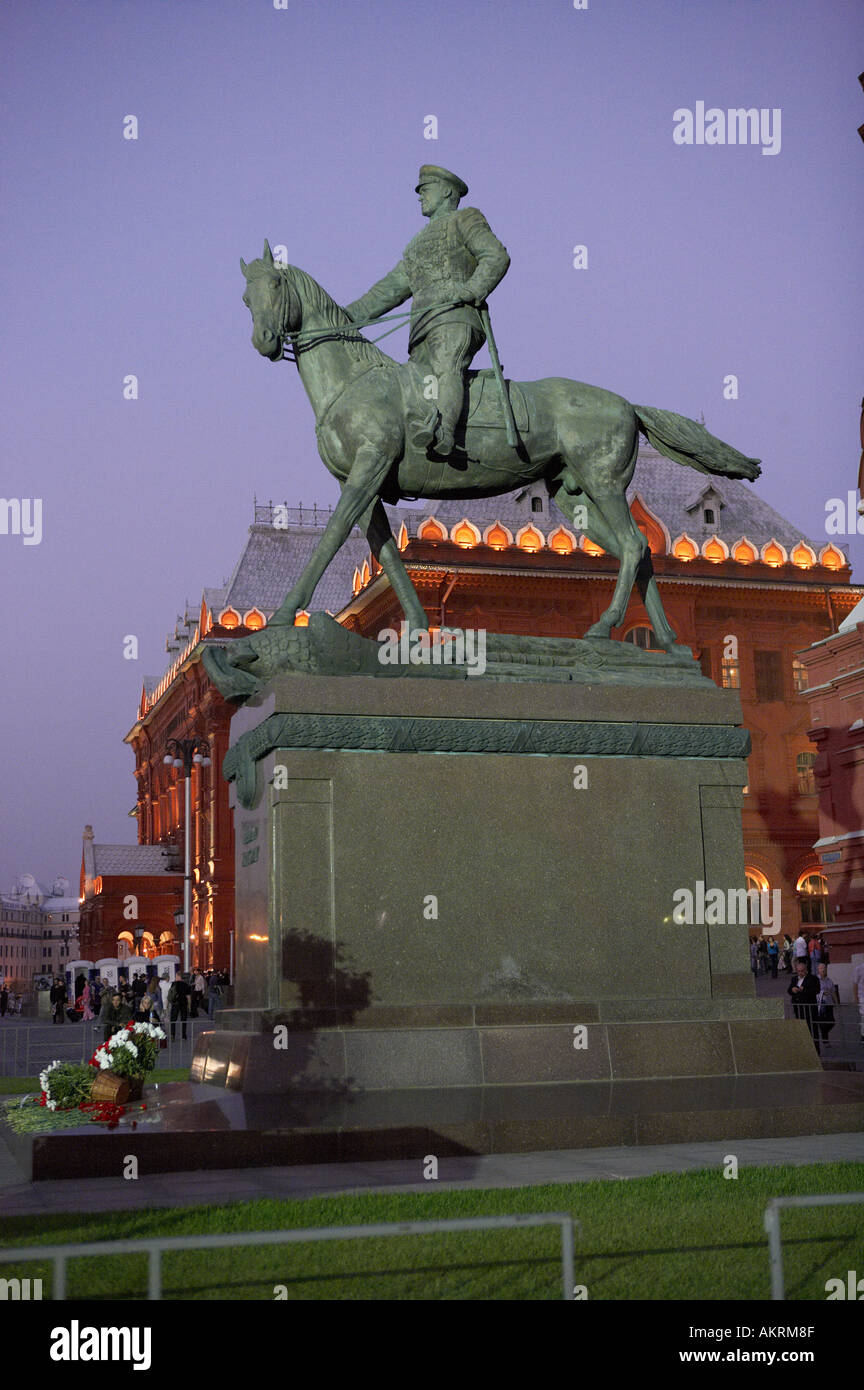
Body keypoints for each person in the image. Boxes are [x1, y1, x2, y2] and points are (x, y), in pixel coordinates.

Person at [344, 165, 511, 457]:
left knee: (448, 367)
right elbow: (388, 290)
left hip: (455, 318)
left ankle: (445, 431)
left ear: (447, 190)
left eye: (426, 189)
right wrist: (342, 318)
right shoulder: (416, 245)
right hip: (422, 328)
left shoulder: (466, 218)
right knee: (416, 383)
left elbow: (495, 256)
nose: (420, 196)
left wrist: (471, 290)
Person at [788, 959, 820, 1051]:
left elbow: (816, 990)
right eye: (798, 971)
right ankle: (804, 1049)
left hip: (809, 1008)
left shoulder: (813, 978)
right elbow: (789, 990)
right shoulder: (794, 979)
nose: (800, 973)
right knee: (801, 1029)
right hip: (798, 1008)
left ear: (806, 970)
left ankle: (815, 1050)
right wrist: (793, 990)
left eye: (802, 971)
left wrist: (804, 989)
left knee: (812, 1029)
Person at [814, 962, 839, 1050]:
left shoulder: (829, 980)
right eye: (821, 968)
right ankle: (825, 1041)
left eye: (824, 968)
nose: (823, 970)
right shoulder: (815, 980)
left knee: (831, 1022)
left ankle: (823, 1034)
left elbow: (833, 992)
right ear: (818, 970)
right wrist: (822, 992)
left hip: (829, 1003)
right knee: (823, 1023)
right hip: (820, 1005)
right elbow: (813, 992)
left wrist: (836, 1003)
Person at [168, 971, 191, 1041]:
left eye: (175, 976)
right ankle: (183, 1036)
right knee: (183, 1020)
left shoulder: (173, 984)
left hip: (175, 1003)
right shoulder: (186, 985)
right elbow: (188, 997)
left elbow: (170, 994)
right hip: (183, 1004)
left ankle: (172, 1035)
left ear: (178, 976)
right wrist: (189, 1006)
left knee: (173, 1020)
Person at [853, 957, 864, 1044]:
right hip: (862, 996)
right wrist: (856, 997)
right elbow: (855, 984)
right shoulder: (859, 969)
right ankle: (863, 1035)